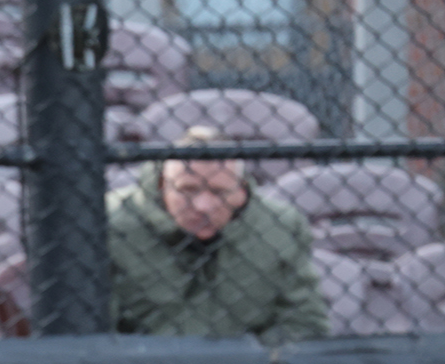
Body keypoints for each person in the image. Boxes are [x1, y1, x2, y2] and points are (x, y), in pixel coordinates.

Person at [107, 126, 328, 345]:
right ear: (162, 185)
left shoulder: (281, 226)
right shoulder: (110, 224)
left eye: (219, 192)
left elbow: (304, 321)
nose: (203, 206)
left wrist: (252, 362)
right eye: (188, 190)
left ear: (241, 192)